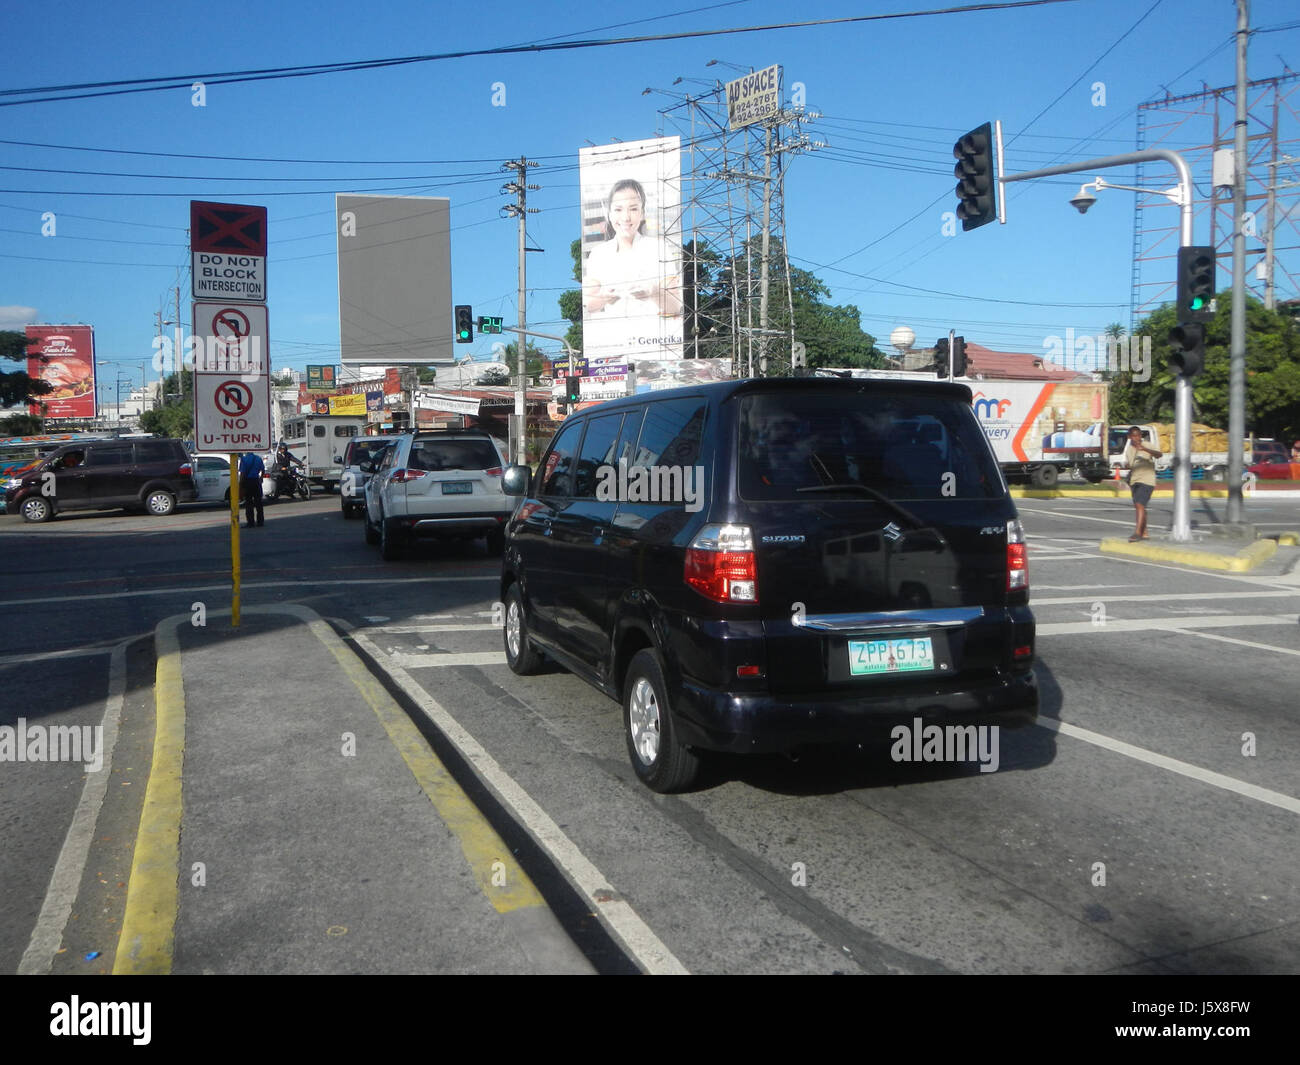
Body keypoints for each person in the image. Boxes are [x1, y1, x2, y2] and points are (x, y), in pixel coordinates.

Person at [582, 179, 682, 319]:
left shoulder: (658, 247)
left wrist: (653, 291)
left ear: (642, 214)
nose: (625, 217)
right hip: (612, 335)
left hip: (653, 336)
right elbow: (588, 304)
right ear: (609, 214)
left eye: (633, 209)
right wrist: (604, 297)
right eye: (618, 209)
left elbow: (676, 306)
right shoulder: (598, 253)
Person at [1121, 425, 1161, 541]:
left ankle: (1137, 533)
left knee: (1139, 504)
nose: (1136, 438)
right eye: (1133, 436)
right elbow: (1131, 464)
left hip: (1147, 480)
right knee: (1140, 506)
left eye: (1138, 435)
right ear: (1129, 437)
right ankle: (1144, 532)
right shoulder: (1129, 449)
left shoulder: (1147, 445)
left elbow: (1159, 455)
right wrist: (1127, 466)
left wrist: (1145, 449)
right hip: (1134, 480)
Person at [238, 451, 265, 527]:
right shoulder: (258, 458)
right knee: (259, 503)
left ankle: (251, 522)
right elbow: (263, 470)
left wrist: (241, 484)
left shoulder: (244, 459)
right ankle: (260, 522)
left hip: (248, 482)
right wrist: (261, 478)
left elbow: (242, 473)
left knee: (249, 503)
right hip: (256, 481)